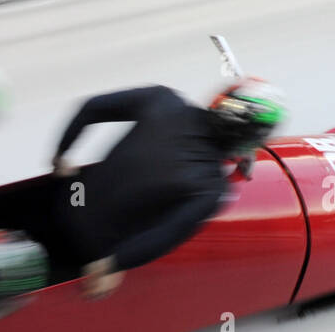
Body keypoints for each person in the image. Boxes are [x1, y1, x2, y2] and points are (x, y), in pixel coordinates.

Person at [48, 77, 286, 299]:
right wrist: (113, 265)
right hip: (85, 251)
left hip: (63, 202)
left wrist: (61, 155)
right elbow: (166, 235)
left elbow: (92, 106)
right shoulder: (211, 188)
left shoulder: (161, 99)